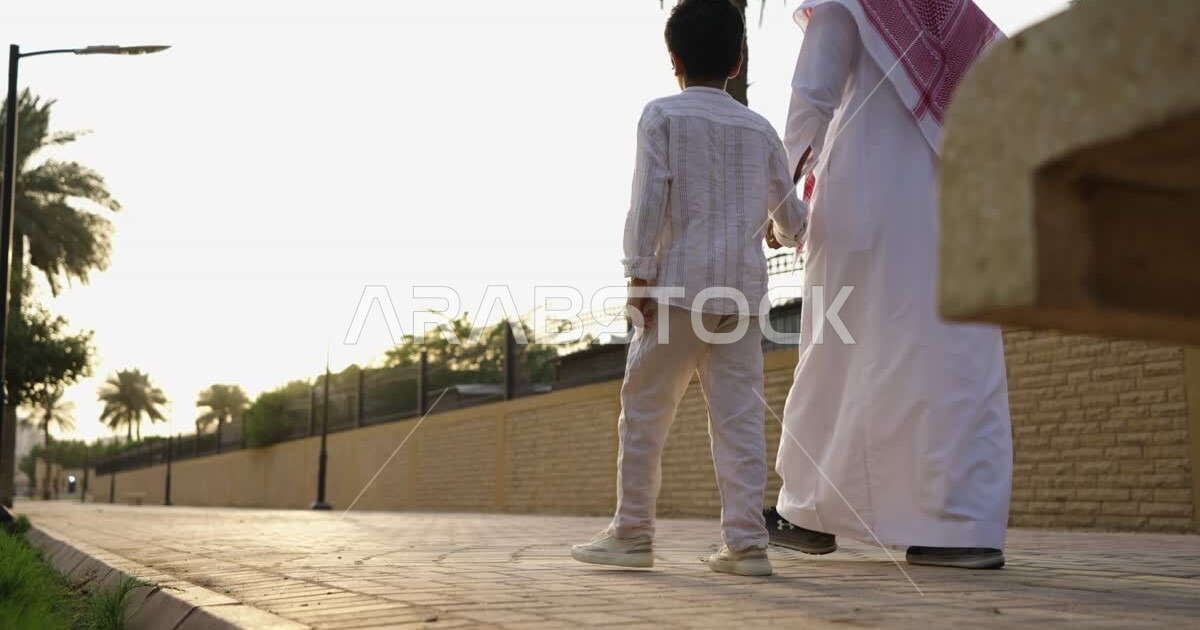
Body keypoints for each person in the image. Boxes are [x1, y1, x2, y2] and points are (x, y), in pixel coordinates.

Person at [764, 0, 1014, 570]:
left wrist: (778, 205)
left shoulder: (848, 5)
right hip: (952, 206)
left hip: (866, 200)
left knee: (837, 353)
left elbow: (812, 101)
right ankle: (963, 526)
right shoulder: (961, 16)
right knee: (952, 354)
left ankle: (806, 513)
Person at [570, 0, 809, 577]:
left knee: (645, 414)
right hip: (743, 300)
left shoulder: (662, 117)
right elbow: (793, 223)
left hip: (679, 290)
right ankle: (748, 546)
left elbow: (648, 202)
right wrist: (779, 232)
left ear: (672, 59)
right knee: (740, 422)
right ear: (737, 60)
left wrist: (637, 277)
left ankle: (632, 535)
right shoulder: (760, 128)